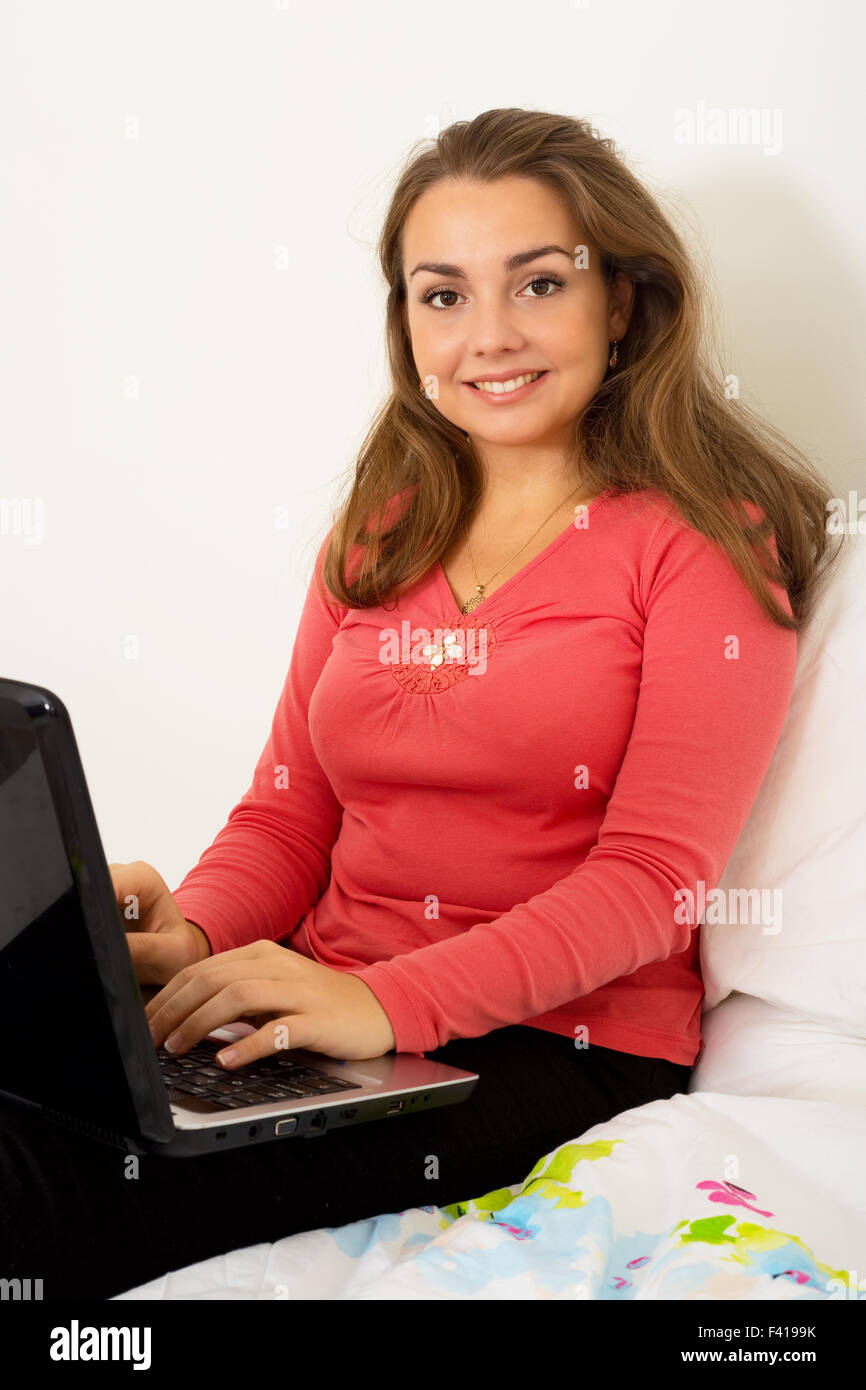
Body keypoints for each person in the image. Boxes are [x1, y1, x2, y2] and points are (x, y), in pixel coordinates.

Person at [0, 108, 843, 1301]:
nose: (486, 336)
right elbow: (286, 816)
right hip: (328, 1010)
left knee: (39, 1194)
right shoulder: (381, 528)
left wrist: (379, 1001)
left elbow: (654, 884)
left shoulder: (699, 544)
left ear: (625, 301)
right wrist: (189, 938)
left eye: (537, 283)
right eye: (440, 295)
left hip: (551, 1047)